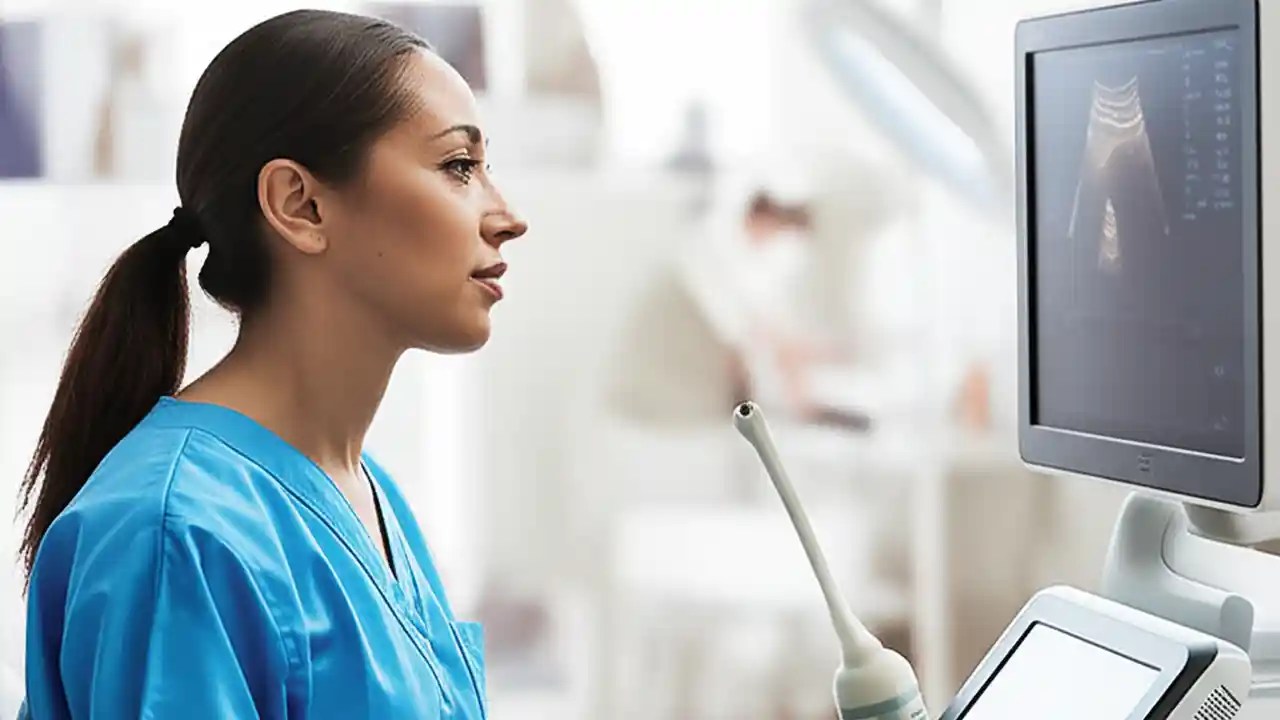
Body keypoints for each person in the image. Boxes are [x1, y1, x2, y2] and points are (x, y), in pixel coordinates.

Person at [17, 10, 526, 719]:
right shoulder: (175, 535)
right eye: (458, 167)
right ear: (301, 204)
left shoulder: (371, 500)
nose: (505, 215)